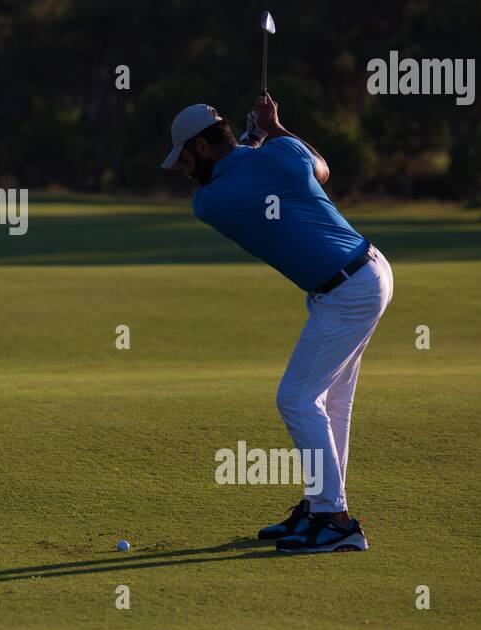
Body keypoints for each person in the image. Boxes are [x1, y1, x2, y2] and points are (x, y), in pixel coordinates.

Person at [162, 94, 393, 553]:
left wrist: (254, 140)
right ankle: (321, 507)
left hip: (347, 290)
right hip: (366, 273)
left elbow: (244, 173)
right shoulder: (281, 154)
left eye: (186, 159)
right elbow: (321, 168)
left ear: (204, 148)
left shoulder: (210, 201)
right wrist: (276, 129)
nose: (184, 171)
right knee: (329, 401)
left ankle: (335, 519)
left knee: (296, 398)